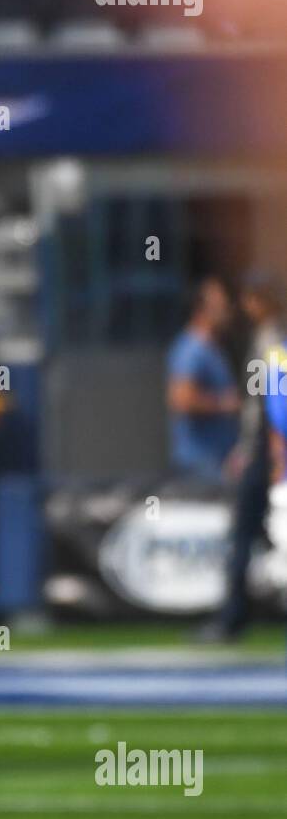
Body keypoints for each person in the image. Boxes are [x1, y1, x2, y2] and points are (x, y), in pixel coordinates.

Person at [200, 270, 284, 640]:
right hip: (264, 447)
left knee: (243, 533)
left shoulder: (273, 338)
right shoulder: (267, 337)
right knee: (251, 533)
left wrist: (268, 448)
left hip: (267, 451)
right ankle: (235, 614)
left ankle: (233, 616)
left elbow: (274, 403)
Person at [166, 276, 240, 481]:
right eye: (221, 307)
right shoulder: (191, 350)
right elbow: (181, 399)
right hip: (199, 464)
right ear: (202, 309)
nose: (227, 313)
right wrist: (226, 403)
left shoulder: (215, 348)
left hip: (219, 462)